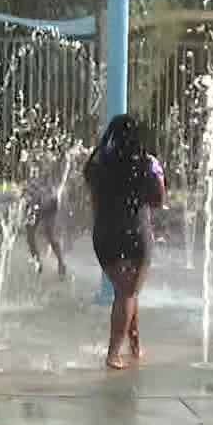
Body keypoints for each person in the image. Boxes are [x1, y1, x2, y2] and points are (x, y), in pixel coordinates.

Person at [84, 115, 167, 370]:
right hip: (135, 233)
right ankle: (112, 353)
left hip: (105, 234)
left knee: (127, 293)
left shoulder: (97, 163)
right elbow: (158, 200)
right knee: (128, 293)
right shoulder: (147, 164)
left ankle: (135, 345)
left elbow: (93, 198)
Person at [25, 149, 71, 280]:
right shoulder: (42, 156)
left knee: (49, 234)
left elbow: (62, 172)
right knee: (30, 232)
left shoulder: (59, 163)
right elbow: (33, 177)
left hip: (50, 201)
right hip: (36, 198)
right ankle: (37, 262)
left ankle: (61, 263)